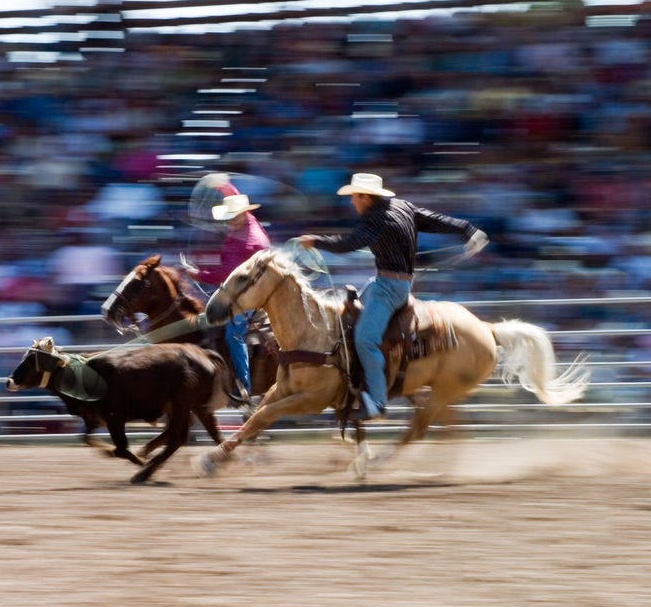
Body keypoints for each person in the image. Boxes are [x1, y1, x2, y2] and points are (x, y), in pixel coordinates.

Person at [295, 172, 489, 421]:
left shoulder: (374, 219)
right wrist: (466, 229)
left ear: (366, 197)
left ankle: (376, 401)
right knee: (349, 323)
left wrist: (315, 241)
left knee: (365, 339)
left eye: (354, 196)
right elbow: (435, 220)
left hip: (389, 289)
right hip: (387, 284)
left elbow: (347, 244)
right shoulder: (403, 207)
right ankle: (357, 386)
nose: (352, 201)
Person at [186, 182, 271, 396]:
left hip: (249, 295)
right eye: (229, 215)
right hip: (245, 288)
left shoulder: (246, 242)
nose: (230, 220)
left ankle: (244, 386)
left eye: (234, 216)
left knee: (234, 334)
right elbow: (235, 196)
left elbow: (227, 274)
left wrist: (197, 274)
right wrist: (223, 186)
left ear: (244, 214)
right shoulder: (249, 223)